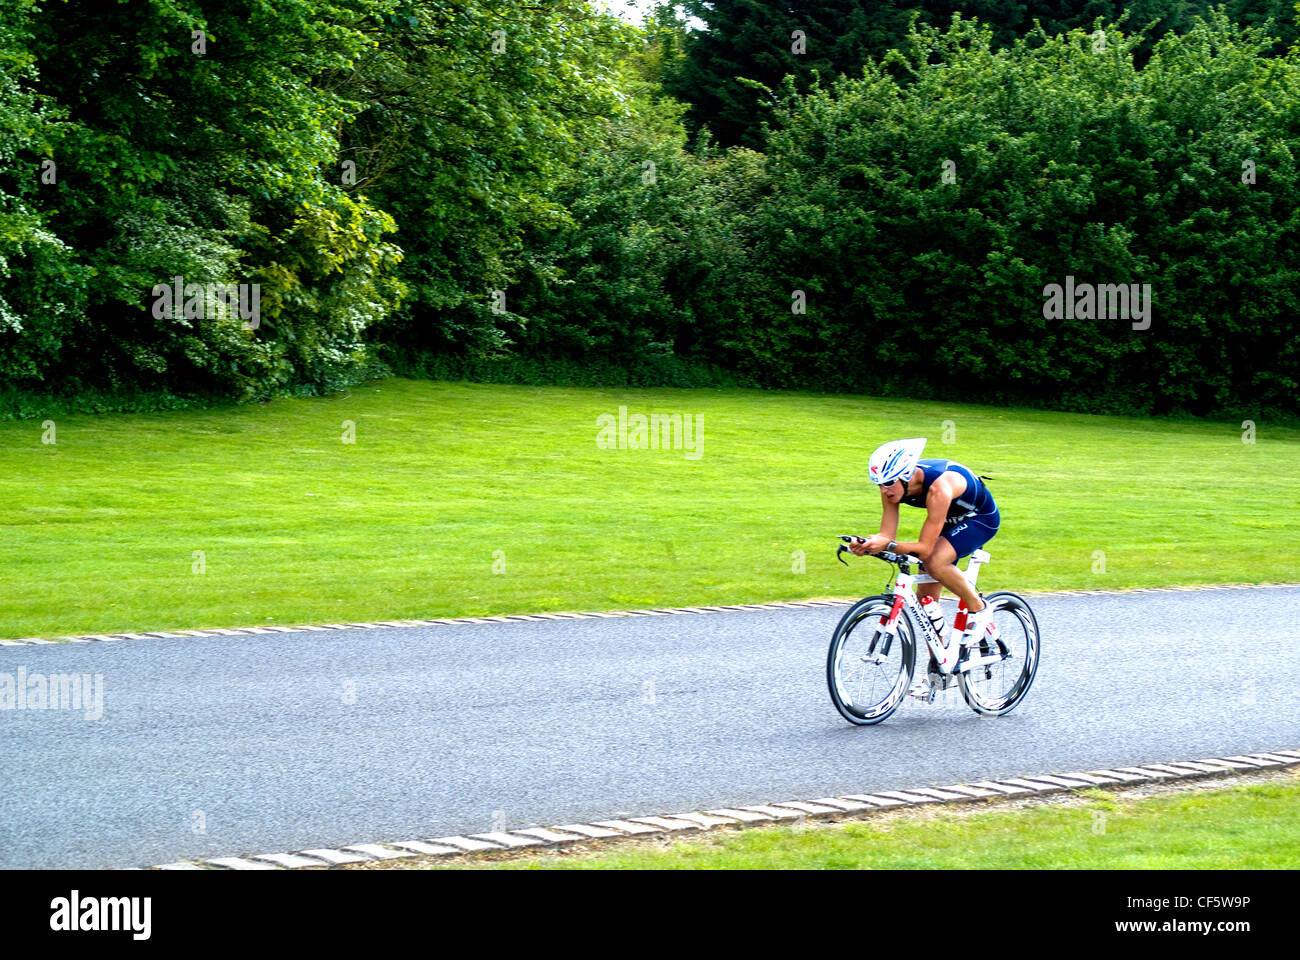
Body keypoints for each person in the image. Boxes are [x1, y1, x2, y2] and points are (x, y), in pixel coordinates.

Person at [849, 437, 1000, 698]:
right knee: (926, 600)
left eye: (888, 483)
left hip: (979, 519)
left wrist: (888, 547)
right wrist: (870, 542)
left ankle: (979, 609)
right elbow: (887, 535)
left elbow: (925, 548)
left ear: (905, 475)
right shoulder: (892, 486)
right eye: (879, 485)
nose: (884, 491)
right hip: (946, 520)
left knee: (934, 561)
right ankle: (938, 672)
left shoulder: (938, 488)